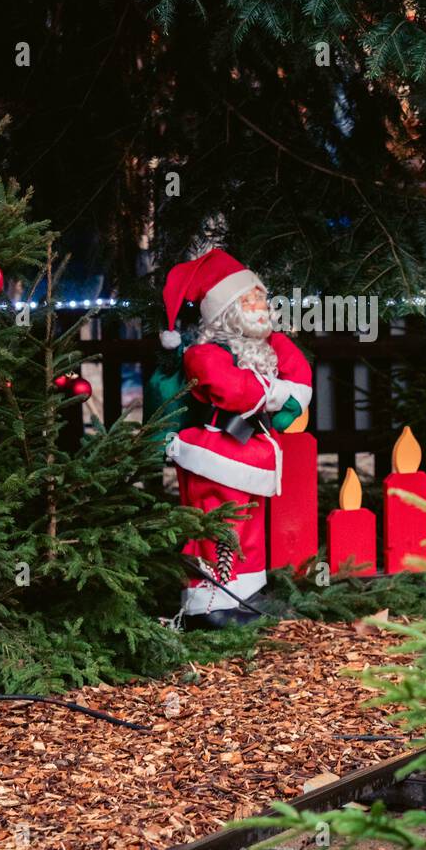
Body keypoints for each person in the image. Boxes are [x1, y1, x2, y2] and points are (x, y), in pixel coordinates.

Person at [159, 249, 312, 629]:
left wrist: (287, 396)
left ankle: (243, 594)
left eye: (260, 297)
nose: (260, 305)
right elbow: (233, 390)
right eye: (249, 299)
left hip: (253, 449)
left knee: (249, 525)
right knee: (217, 525)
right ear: (225, 310)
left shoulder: (265, 346)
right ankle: (207, 602)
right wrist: (276, 392)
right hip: (214, 449)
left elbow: (300, 374)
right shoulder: (203, 353)